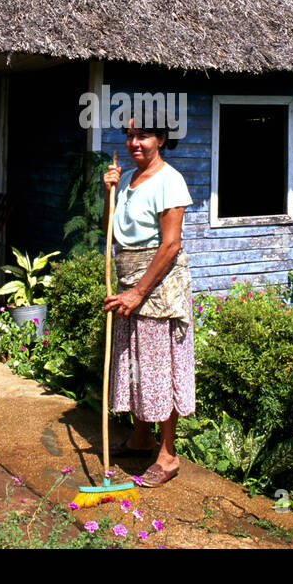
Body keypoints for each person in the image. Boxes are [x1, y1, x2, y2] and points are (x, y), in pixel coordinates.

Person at [101, 119, 195, 487]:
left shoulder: (170, 180)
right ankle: (141, 437)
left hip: (156, 287)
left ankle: (167, 455)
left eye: (143, 135)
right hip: (128, 282)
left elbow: (170, 244)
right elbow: (110, 229)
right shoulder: (127, 179)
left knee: (160, 368)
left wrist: (139, 291)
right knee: (135, 361)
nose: (134, 142)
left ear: (161, 139)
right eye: (129, 135)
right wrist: (106, 191)